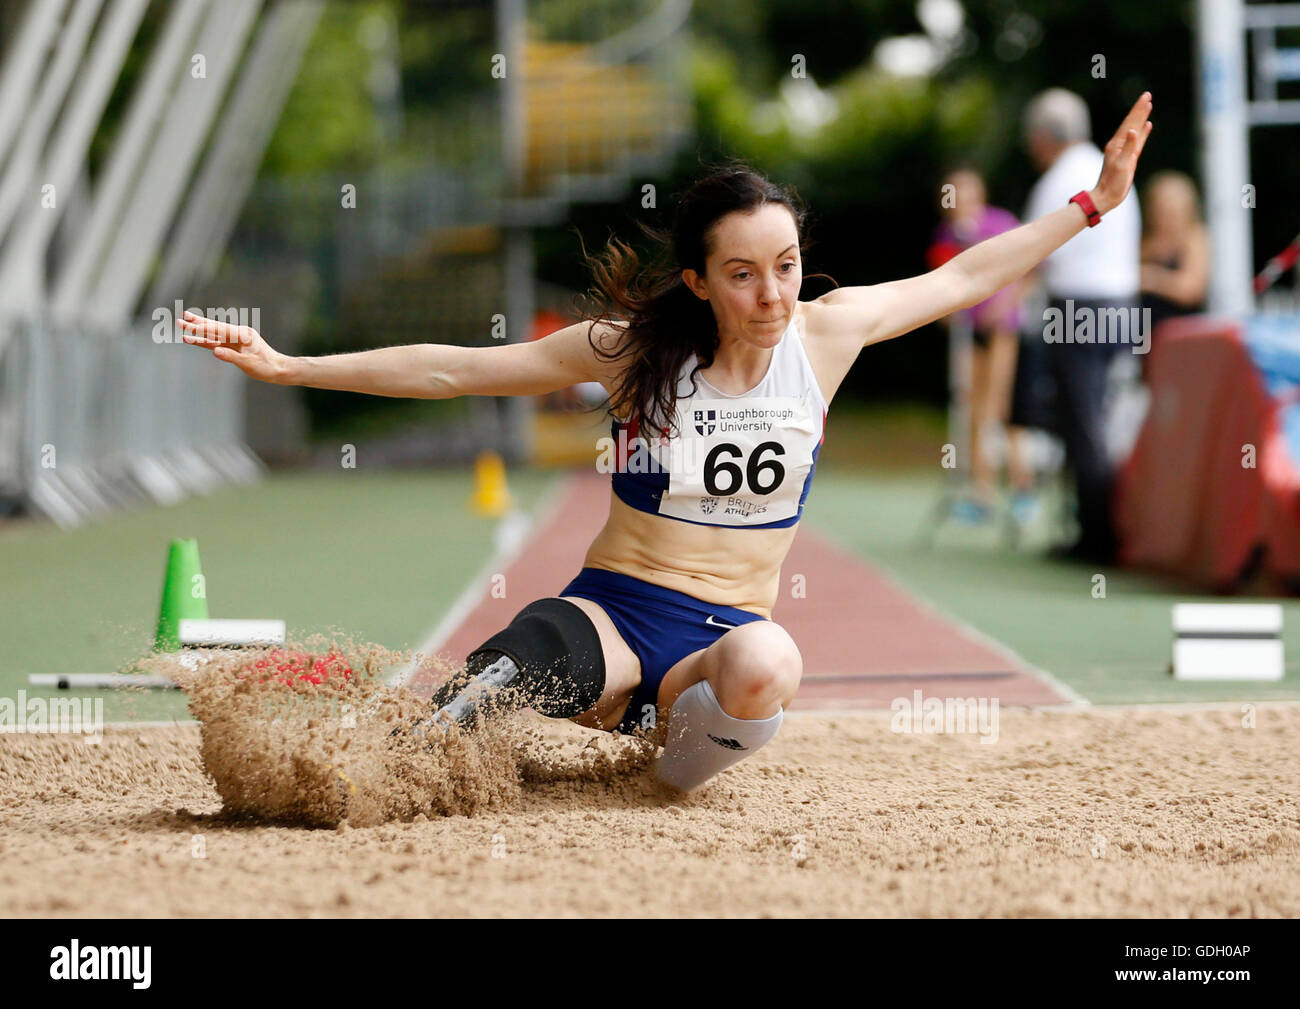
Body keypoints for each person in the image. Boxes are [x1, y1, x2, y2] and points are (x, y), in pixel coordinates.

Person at [180, 93, 1153, 793]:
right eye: (742, 274)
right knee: (476, 701)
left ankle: (654, 763)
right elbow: (451, 369)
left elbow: (963, 277)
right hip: (612, 614)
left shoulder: (827, 333)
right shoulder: (632, 352)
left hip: (719, 638)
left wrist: (1091, 205)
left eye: (785, 267)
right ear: (696, 279)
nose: (771, 295)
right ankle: (364, 766)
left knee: (771, 665)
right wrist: (291, 366)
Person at [1023, 88, 1144, 565]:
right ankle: (1100, 528)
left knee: (1083, 421)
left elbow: (1034, 251)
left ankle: (1096, 537)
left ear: (1043, 136)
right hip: (1120, 306)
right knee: (1106, 419)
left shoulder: (1058, 179)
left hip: (1078, 309)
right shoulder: (1108, 170)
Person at [927, 166, 1036, 524]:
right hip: (968, 332)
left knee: (999, 408)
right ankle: (982, 493)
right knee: (971, 406)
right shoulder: (947, 234)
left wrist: (1004, 306)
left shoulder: (1000, 223)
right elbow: (940, 284)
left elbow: (1028, 271)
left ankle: (1023, 488)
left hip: (1001, 329)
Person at [1138, 170, 1209, 336]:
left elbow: (1191, 289)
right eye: (1160, 207)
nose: (1165, 215)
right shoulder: (1144, 237)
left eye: (1172, 208)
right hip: (1144, 331)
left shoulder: (1194, 237)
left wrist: (1153, 279)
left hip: (1181, 333)